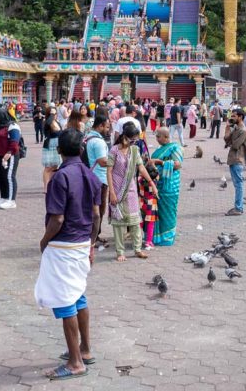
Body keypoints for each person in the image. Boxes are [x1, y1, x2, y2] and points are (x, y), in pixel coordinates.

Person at [35, 129, 102, 381]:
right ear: (82, 150)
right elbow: (96, 215)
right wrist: (92, 244)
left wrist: (44, 241)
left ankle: (75, 362)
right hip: (82, 243)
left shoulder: (60, 178)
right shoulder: (91, 176)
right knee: (78, 297)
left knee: (65, 302)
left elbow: (58, 218)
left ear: (59, 151)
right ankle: (84, 349)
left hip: (63, 245)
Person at [106, 122, 156, 260]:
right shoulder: (114, 151)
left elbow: (141, 168)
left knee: (135, 221)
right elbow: (109, 172)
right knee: (119, 223)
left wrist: (152, 183)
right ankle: (120, 252)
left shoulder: (134, 151)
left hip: (132, 189)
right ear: (124, 137)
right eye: (132, 139)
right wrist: (111, 192)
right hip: (117, 189)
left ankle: (137, 249)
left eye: (136, 139)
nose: (134, 142)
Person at [150, 127, 183, 246]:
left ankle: (168, 237)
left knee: (169, 211)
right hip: (159, 185)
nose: (157, 139)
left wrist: (159, 162)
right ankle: (157, 236)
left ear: (166, 137)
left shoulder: (176, 148)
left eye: (158, 136)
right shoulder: (161, 149)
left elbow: (177, 165)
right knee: (159, 212)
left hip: (170, 187)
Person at [83, 113, 111, 247]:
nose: (108, 130)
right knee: (99, 210)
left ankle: (93, 235)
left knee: (94, 209)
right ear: (100, 126)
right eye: (106, 127)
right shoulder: (98, 142)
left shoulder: (88, 137)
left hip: (91, 176)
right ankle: (93, 237)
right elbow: (102, 161)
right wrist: (117, 161)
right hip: (99, 178)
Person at [0, 109, 22, 209]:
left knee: (9, 177)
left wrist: (9, 152)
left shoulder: (12, 126)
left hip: (9, 156)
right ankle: (4, 197)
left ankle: (11, 200)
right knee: (0, 176)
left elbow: (14, 142)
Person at [224, 109, 246, 216]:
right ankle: (238, 207)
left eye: (234, 116)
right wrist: (227, 128)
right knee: (237, 184)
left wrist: (231, 136)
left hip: (238, 159)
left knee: (239, 185)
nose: (232, 118)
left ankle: (238, 208)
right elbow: (227, 140)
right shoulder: (236, 128)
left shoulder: (243, 130)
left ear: (240, 117)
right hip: (233, 159)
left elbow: (235, 145)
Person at [42, 106, 62, 192]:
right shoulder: (47, 122)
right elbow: (48, 123)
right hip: (50, 145)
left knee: (55, 166)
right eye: (52, 113)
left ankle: (52, 185)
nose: (54, 115)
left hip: (58, 145)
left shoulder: (57, 122)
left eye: (55, 113)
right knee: (48, 167)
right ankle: (46, 187)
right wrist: (51, 115)